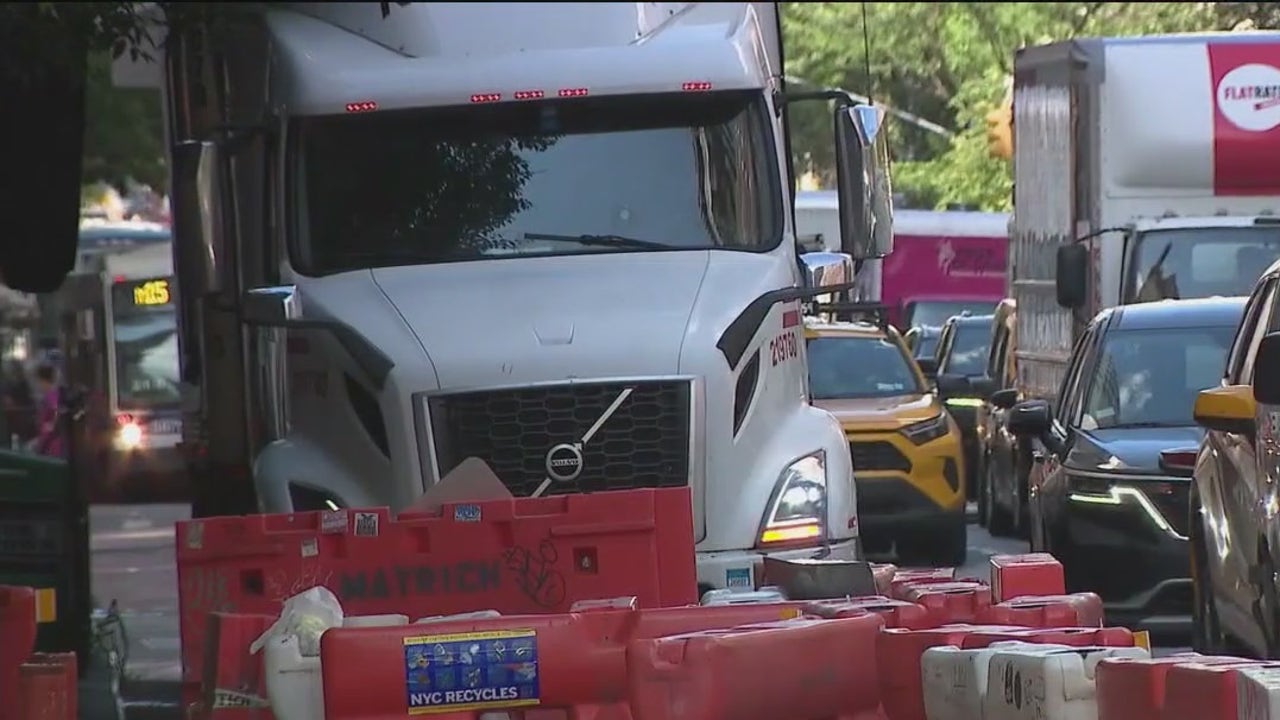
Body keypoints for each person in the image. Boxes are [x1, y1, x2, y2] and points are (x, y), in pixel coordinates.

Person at [32, 363, 64, 458]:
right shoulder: (51, 395)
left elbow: (55, 414)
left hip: (51, 444)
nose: (38, 385)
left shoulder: (51, 396)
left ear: (43, 381)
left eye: (39, 381)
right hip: (47, 440)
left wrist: (49, 428)